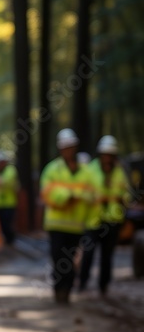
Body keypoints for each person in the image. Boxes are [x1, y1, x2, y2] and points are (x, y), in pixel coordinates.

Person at [40, 128, 96, 304]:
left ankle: (67, 290)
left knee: (71, 261)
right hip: (56, 224)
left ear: (75, 147)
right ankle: (59, 290)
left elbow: (93, 195)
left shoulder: (86, 172)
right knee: (57, 258)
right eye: (65, 147)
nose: (68, 150)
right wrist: (67, 196)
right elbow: (46, 193)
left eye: (71, 146)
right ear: (60, 149)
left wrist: (77, 196)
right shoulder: (52, 169)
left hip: (76, 225)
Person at [78, 135, 129, 296]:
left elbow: (126, 194)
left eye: (110, 154)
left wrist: (123, 201)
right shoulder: (90, 169)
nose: (107, 158)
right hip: (93, 220)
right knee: (88, 254)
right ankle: (83, 282)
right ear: (100, 154)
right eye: (105, 154)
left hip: (112, 220)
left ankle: (103, 286)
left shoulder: (119, 171)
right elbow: (83, 192)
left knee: (107, 256)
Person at [0, 149, 19, 245]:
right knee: (1, 225)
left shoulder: (11, 170)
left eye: (1, 162)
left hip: (9, 203)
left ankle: (10, 239)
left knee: (7, 224)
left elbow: (6, 182)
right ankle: (6, 240)